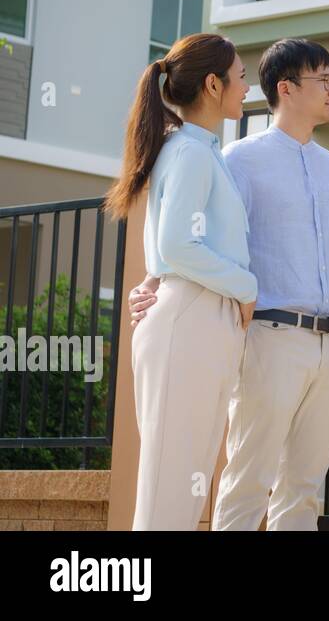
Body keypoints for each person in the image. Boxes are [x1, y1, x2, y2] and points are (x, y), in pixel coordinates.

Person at [128, 38, 329, 530]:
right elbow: (199, 233)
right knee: (246, 480)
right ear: (287, 87)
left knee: (303, 489)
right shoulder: (234, 159)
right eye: (325, 79)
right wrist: (154, 279)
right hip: (267, 339)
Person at [105, 33, 257, 531]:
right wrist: (246, 286)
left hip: (198, 319)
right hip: (191, 319)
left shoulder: (199, 151)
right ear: (213, 85)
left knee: (185, 486)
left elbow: (177, 248)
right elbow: (175, 247)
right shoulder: (191, 153)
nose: (246, 87)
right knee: (171, 490)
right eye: (239, 77)